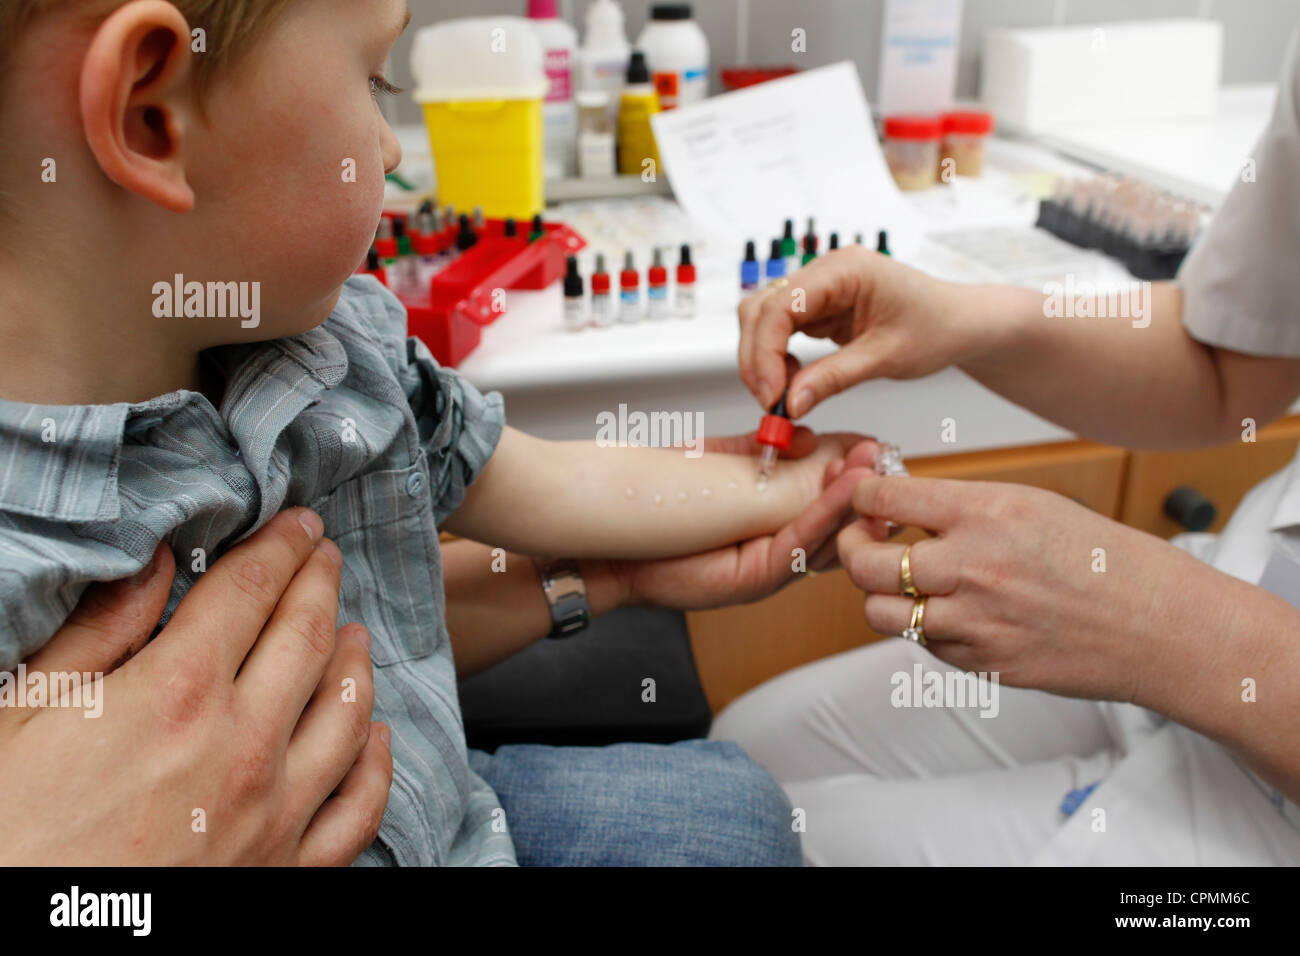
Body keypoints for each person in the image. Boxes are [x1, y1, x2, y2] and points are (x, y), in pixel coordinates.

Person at [0, 0, 878, 865]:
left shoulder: (338, 348)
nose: (390, 147)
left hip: (448, 809)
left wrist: (795, 485)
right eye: (374, 79)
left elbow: (550, 486)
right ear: (151, 116)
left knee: (737, 809)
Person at [713, 24, 1300, 865]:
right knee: (750, 750)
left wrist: (1163, 626)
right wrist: (972, 320)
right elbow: (1230, 369)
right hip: (1227, 615)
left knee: (757, 837)